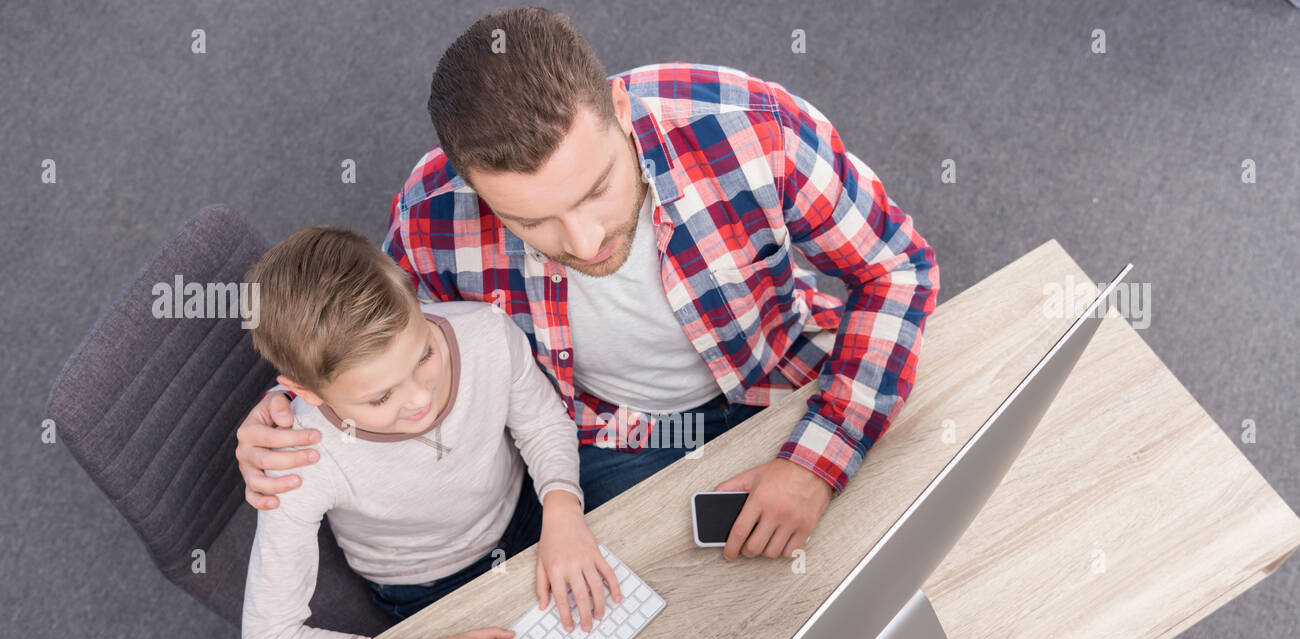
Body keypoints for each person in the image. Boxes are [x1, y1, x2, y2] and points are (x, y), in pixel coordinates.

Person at [235, 6, 939, 566]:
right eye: (530, 220)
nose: (584, 243)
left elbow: (897, 268)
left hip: (780, 369)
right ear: (473, 185)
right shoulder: (433, 216)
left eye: (599, 188)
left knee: (897, 543)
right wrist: (290, 402)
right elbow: (372, 337)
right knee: (666, 628)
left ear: (621, 110)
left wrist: (820, 461)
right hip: (612, 437)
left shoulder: (752, 128)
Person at [239, 226, 621, 639]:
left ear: (413, 298)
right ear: (307, 393)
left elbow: (544, 425)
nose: (421, 398)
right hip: (428, 585)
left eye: (424, 355)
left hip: (529, 512)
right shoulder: (301, 461)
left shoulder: (484, 334)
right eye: (380, 397)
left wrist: (563, 507)